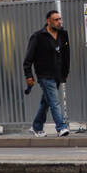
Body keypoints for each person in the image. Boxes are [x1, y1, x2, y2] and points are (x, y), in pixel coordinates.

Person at [24, 8, 72, 137]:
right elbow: (28, 58)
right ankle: (61, 127)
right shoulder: (38, 36)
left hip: (58, 74)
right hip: (44, 75)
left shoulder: (63, 34)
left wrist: (66, 71)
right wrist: (28, 75)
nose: (59, 22)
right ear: (48, 21)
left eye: (60, 19)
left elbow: (66, 54)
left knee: (46, 102)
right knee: (54, 101)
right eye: (56, 20)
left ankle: (36, 127)